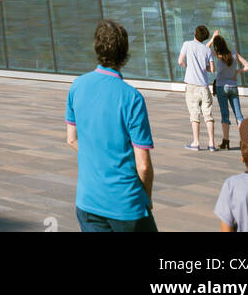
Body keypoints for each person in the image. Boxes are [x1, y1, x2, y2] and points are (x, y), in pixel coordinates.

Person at [66, 20, 156, 232]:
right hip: (126, 205)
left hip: (88, 202)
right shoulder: (132, 98)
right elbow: (143, 165)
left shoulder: (77, 86)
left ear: (97, 48)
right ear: (124, 52)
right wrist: (147, 198)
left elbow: (71, 139)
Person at [208, 29, 248, 150]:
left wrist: (212, 39)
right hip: (233, 87)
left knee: (225, 115)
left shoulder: (218, 55)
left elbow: (205, 49)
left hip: (221, 87)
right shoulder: (234, 54)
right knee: (239, 115)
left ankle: (225, 141)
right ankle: (244, 141)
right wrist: (237, 71)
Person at [178, 24, 216, 151]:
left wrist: (187, 67)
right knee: (208, 115)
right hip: (204, 86)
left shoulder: (187, 44)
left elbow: (180, 61)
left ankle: (196, 142)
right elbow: (212, 69)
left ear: (195, 32)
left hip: (192, 86)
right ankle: (211, 143)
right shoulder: (207, 50)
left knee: (194, 115)